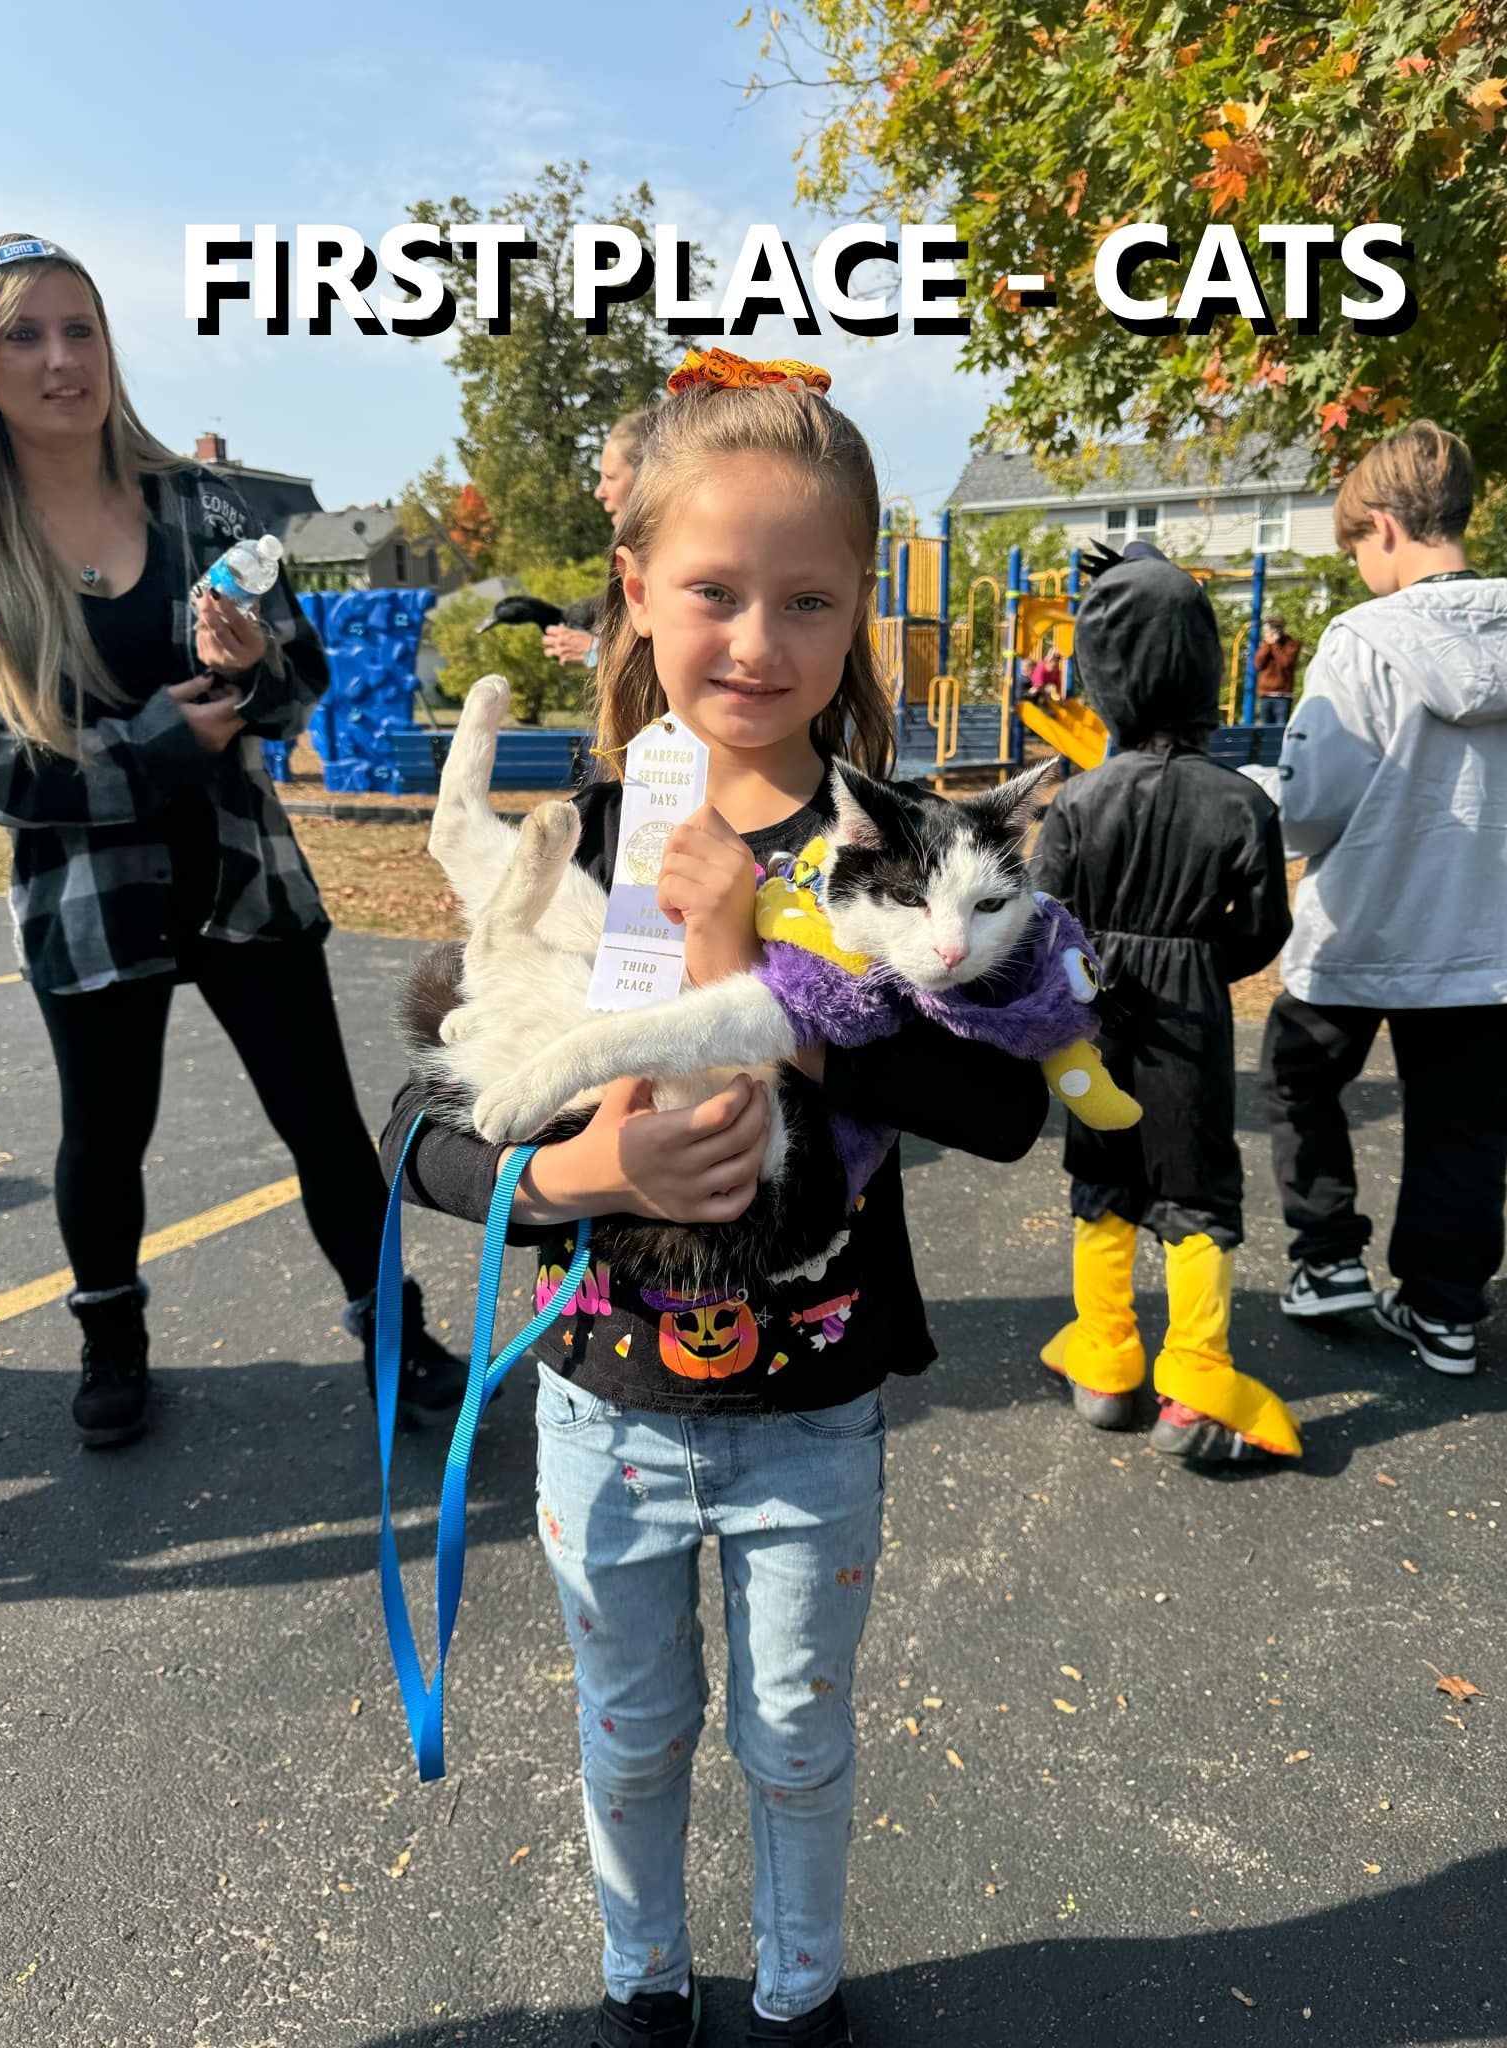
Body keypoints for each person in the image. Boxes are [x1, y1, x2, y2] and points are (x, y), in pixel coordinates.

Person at [380, 349, 1052, 2047]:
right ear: (635, 591)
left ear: (859, 621)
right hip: (603, 1402)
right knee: (626, 1721)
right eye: (715, 591)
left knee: (798, 1727)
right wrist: (585, 1168)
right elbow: (425, 1123)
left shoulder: (896, 853)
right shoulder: (580, 835)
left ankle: (801, 1992)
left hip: (813, 1406)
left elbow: (1005, 1106)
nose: (756, 639)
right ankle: (641, 1983)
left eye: (808, 598)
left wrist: (795, 1010)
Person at [0, 232, 464, 1448]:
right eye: (22, 336)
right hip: (87, 894)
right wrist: (147, 751)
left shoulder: (199, 502)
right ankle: (112, 1333)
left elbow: (300, 683)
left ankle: (390, 1330)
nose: (59, 361)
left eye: (79, 329)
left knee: (318, 1113)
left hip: (242, 871)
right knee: (104, 1133)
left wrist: (255, 676)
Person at [1260, 421, 1507, 1374]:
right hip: (1490, 942)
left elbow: (1315, 800)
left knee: (1298, 1078)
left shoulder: (1361, 641)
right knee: (1464, 1125)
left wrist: (1262, 799)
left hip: (1362, 926)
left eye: (1352, 547)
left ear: (1381, 527)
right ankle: (1446, 1310)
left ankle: (1328, 1257)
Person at [1031, 541, 1300, 1464]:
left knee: (1101, 1183)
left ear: (1104, 678)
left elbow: (1046, 919)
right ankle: (1196, 1375)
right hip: (1192, 1014)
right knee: (1197, 1194)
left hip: (1095, 1014)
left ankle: (1105, 1365)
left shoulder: (1076, 801)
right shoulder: (1241, 803)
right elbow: (1263, 931)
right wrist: (1198, 964)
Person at [476, 410, 649, 661]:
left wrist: (595, 653)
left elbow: (670, 660)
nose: (599, 492)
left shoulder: (668, 561)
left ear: (649, 480)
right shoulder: (636, 559)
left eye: (610, 477)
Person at [1254, 615, 1301, 726]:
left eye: (1277, 628)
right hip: (1265, 695)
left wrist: (1274, 645)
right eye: (1271, 628)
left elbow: (1286, 663)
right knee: (1265, 731)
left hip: (1282, 696)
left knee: (1279, 731)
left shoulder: (1291, 644)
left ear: (1282, 628)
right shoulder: (1266, 644)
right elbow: (1258, 664)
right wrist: (1267, 644)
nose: (1273, 631)